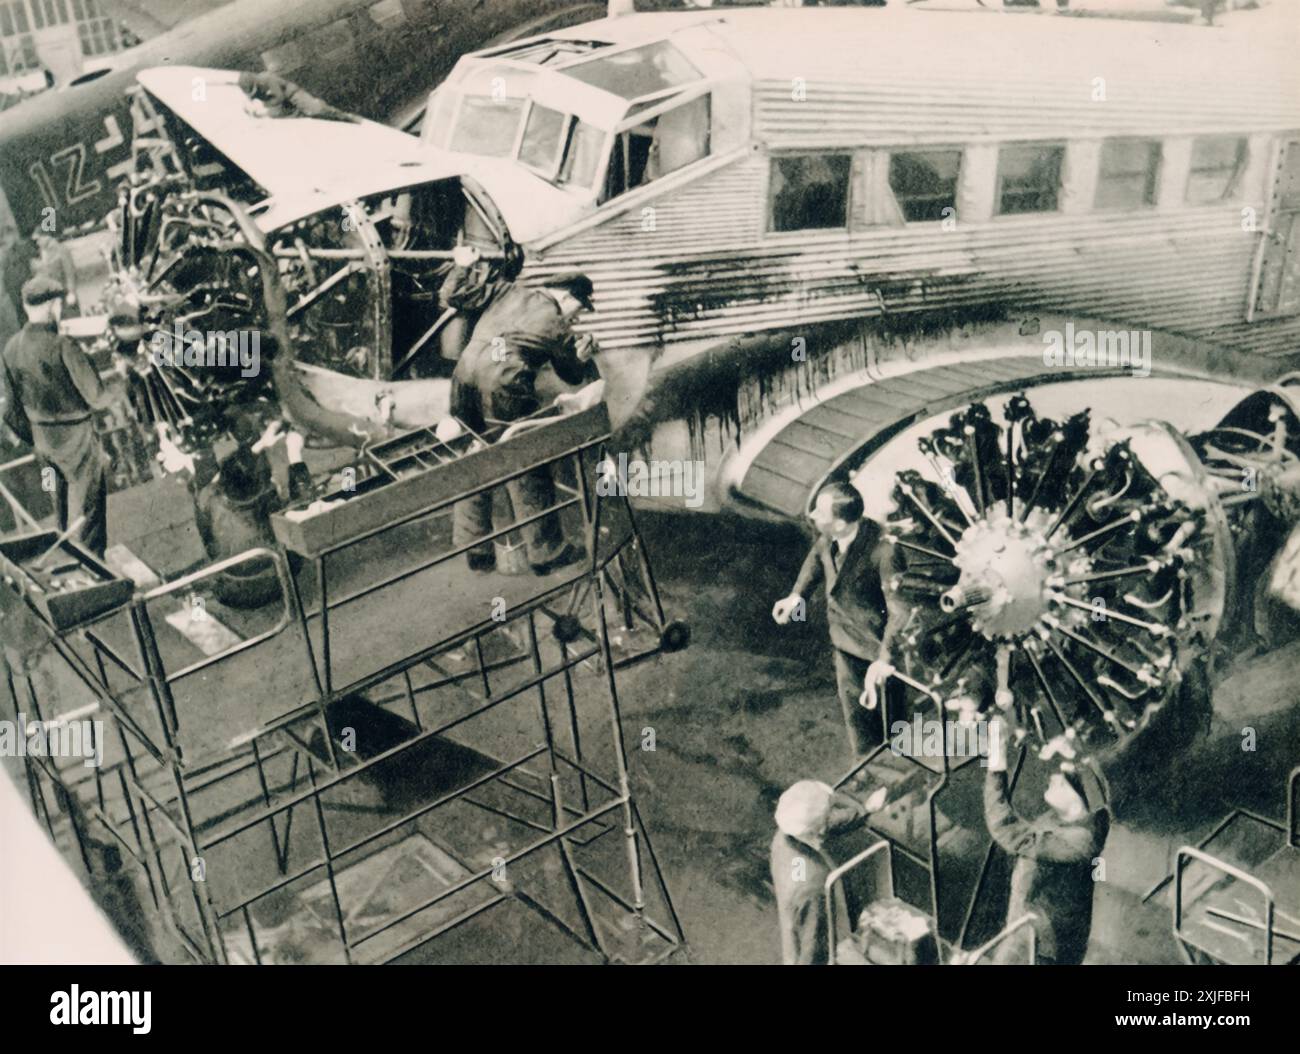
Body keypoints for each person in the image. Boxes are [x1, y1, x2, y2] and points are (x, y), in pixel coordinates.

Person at [451, 270, 599, 575]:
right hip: (502, 385)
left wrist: (463, 266)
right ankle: (547, 552)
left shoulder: (508, 290)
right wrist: (581, 356)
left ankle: (474, 548)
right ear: (567, 296)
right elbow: (570, 374)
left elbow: (453, 294)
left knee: (476, 454)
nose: (578, 318)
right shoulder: (556, 323)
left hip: (463, 379)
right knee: (527, 459)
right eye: (580, 309)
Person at [772, 481, 908, 758]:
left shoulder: (885, 551)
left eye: (820, 513)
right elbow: (817, 556)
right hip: (845, 643)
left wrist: (885, 659)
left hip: (878, 652)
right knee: (858, 721)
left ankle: (901, 782)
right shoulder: (831, 536)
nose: (812, 515)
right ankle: (865, 771)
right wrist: (797, 596)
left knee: (894, 730)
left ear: (841, 524)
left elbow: (900, 611)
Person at [1, 275, 117, 556]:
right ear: (53, 305)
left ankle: (71, 564)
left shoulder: (11, 349)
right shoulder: (63, 345)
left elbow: (10, 410)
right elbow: (97, 397)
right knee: (89, 511)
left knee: (61, 509)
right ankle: (95, 574)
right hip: (78, 443)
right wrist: (124, 378)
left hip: (44, 444)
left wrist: (34, 436)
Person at [983, 719, 1110, 965]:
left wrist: (996, 765)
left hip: (1039, 942)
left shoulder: (1075, 843)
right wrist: (1071, 746)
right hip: (1050, 929)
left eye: (1063, 780)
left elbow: (1005, 828)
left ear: (1077, 804)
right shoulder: (1080, 820)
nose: (1054, 777)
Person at [770, 779, 885, 965]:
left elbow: (825, 824)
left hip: (798, 924)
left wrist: (866, 809)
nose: (834, 814)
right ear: (819, 831)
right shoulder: (814, 890)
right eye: (831, 810)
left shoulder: (786, 834)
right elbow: (814, 953)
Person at [31, 231, 78, 315]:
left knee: (71, 321)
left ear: (46, 237)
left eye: (38, 239)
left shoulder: (61, 249)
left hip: (64, 292)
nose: (37, 243)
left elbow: (70, 272)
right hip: (50, 296)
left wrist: (72, 292)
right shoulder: (42, 252)